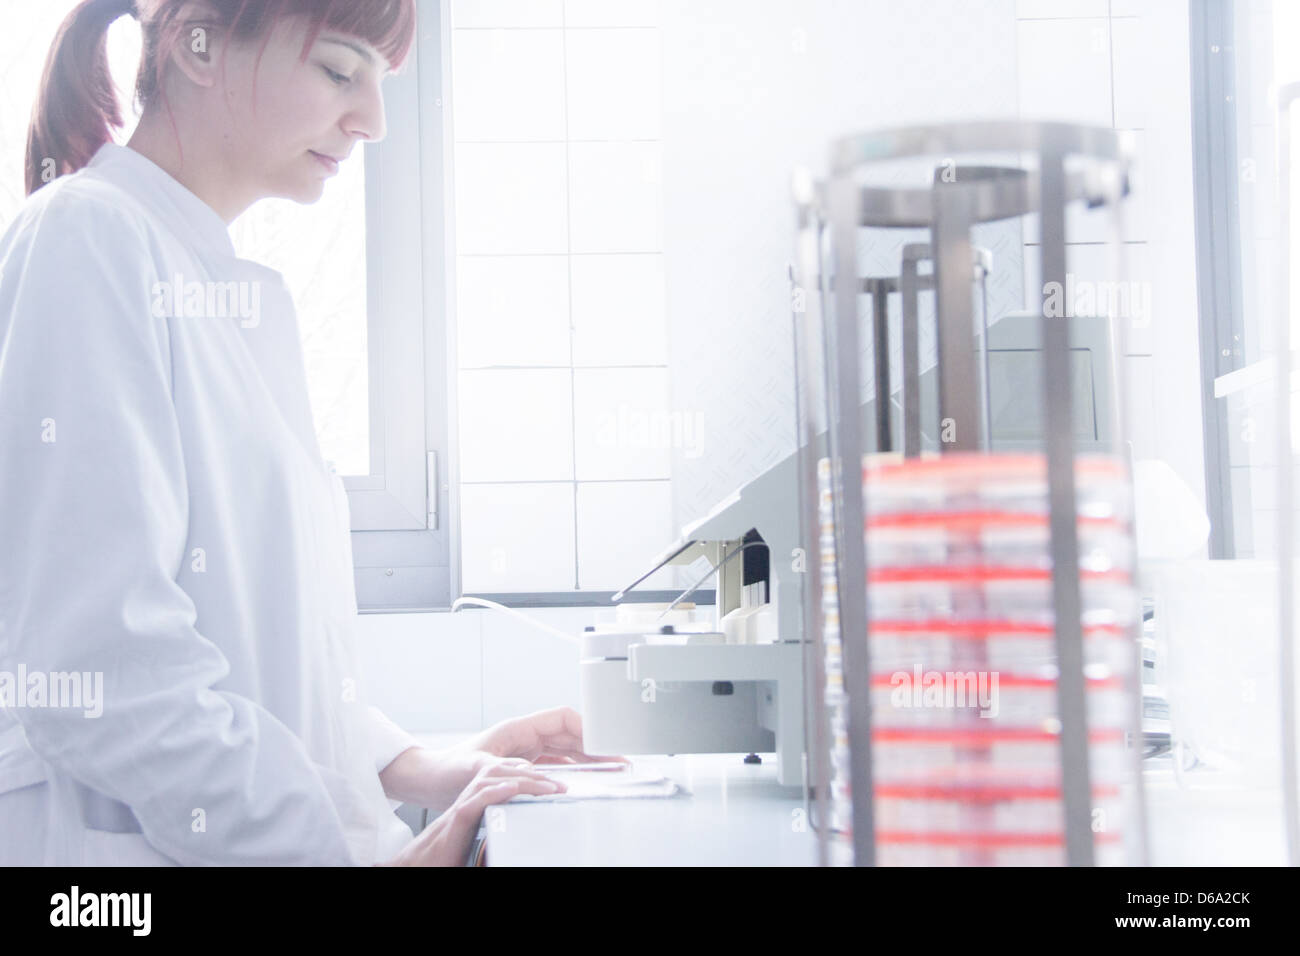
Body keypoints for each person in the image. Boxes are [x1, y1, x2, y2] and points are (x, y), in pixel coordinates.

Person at [0, 0, 603, 867]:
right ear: (196, 45)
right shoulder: (87, 239)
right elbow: (103, 667)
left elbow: (265, 659)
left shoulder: (221, 289)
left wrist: (421, 763)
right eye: (338, 69)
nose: (375, 120)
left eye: (381, 81)